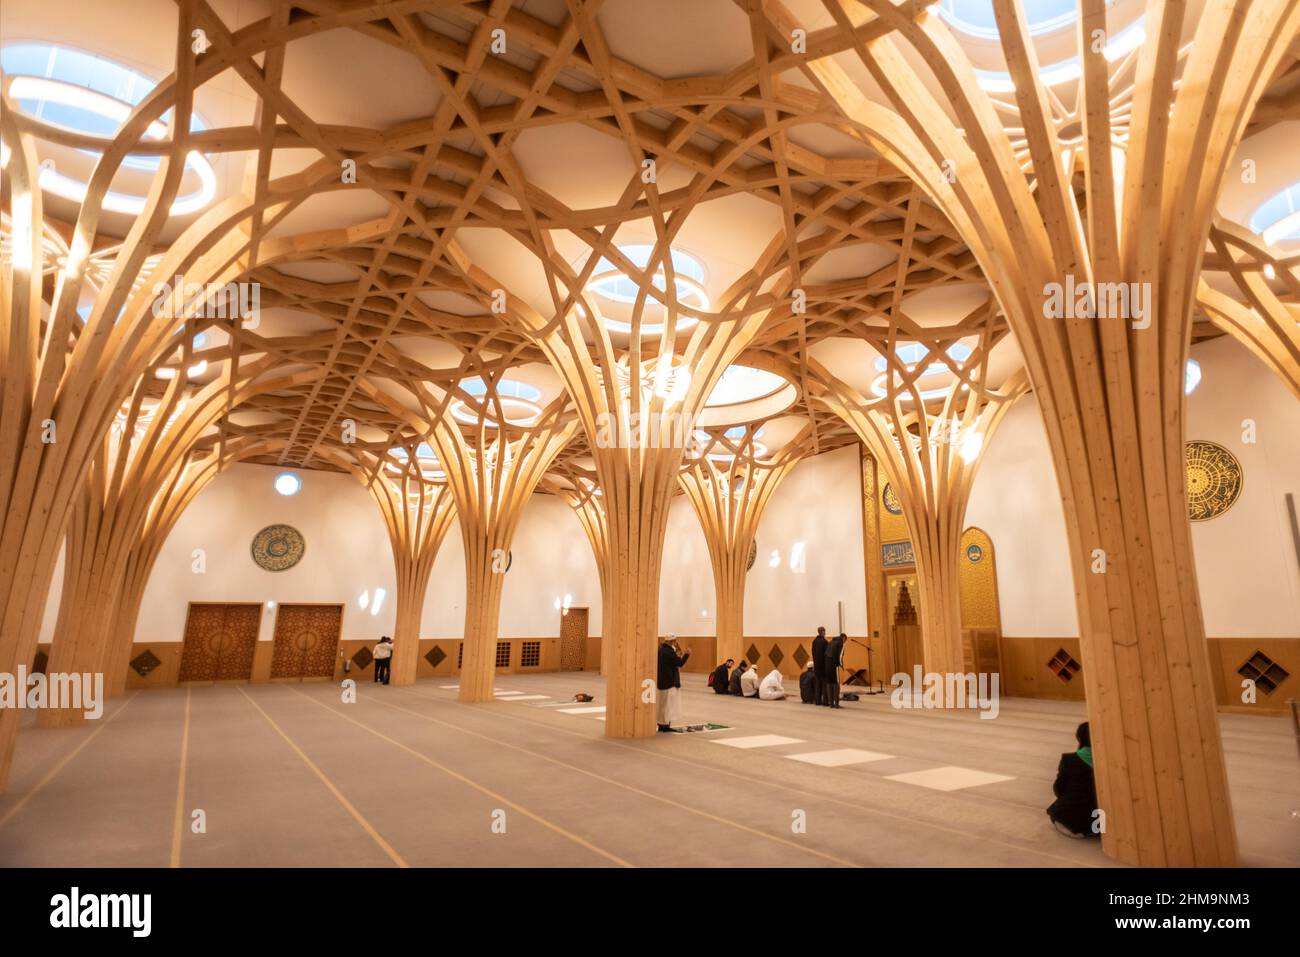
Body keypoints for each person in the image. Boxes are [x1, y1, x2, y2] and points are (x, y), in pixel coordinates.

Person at [1047, 722, 1097, 839]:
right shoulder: (1111, 764)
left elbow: (1059, 789)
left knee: (1059, 808)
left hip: (1071, 820)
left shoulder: (1069, 760)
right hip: (1099, 823)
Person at [656, 634, 691, 732]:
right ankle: (666, 725)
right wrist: (687, 654)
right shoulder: (669, 652)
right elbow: (679, 663)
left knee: (662, 705)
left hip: (661, 681)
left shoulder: (660, 650)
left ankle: (661, 724)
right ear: (672, 641)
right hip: (669, 682)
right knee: (669, 706)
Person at [823, 632, 846, 708]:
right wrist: (841, 665)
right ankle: (836, 704)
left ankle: (831, 704)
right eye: (845, 640)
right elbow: (840, 656)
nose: (845, 642)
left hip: (827, 665)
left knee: (829, 683)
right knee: (836, 684)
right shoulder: (841, 643)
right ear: (843, 638)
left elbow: (825, 653)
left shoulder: (831, 642)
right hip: (834, 666)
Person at [811, 626, 829, 706]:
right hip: (823, 667)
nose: (825, 633)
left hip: (816, 666)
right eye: (824, 631)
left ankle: (817, 701)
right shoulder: (824, 642)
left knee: (817, 685)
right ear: (822, 632)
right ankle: (825, 702)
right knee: (824, 685)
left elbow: (813, 653)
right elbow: (827, 654)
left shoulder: (814, 641)